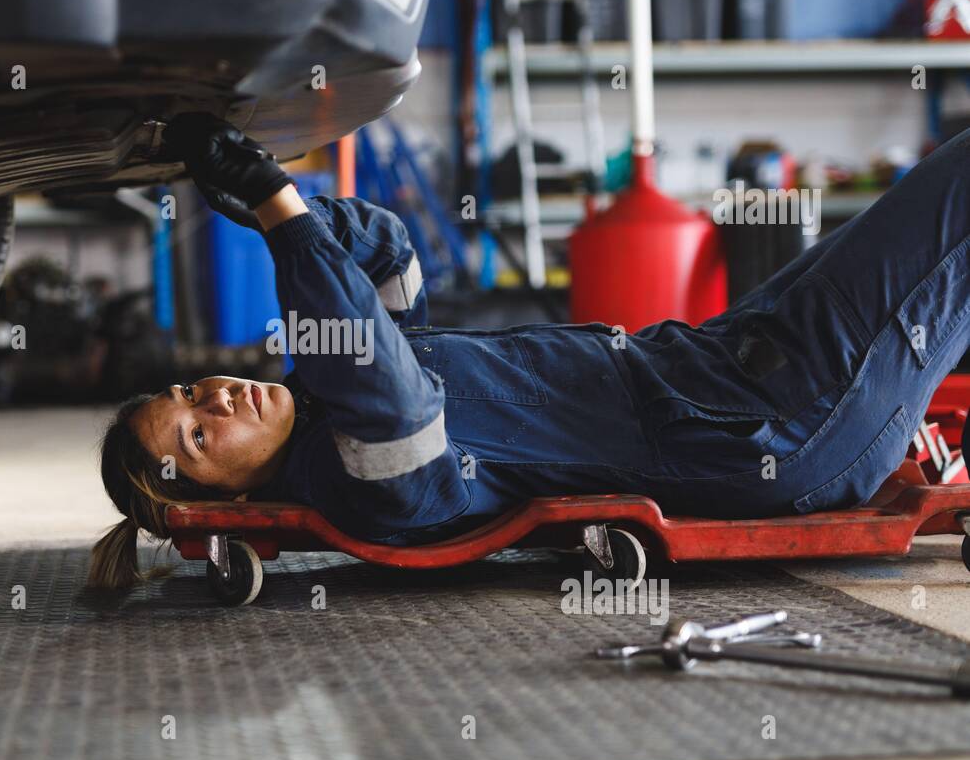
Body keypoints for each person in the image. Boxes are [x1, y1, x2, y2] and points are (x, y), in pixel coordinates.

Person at [89, 113, 970, 589]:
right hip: (777, 425)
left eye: (191, 392)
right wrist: (279, 209)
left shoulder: (322, 395)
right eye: (198, 441)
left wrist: (292, 219)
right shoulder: (352, 480)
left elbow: (391, 257)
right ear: (227, 498)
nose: (219, 402)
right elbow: (388, 389)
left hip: (730, 367)